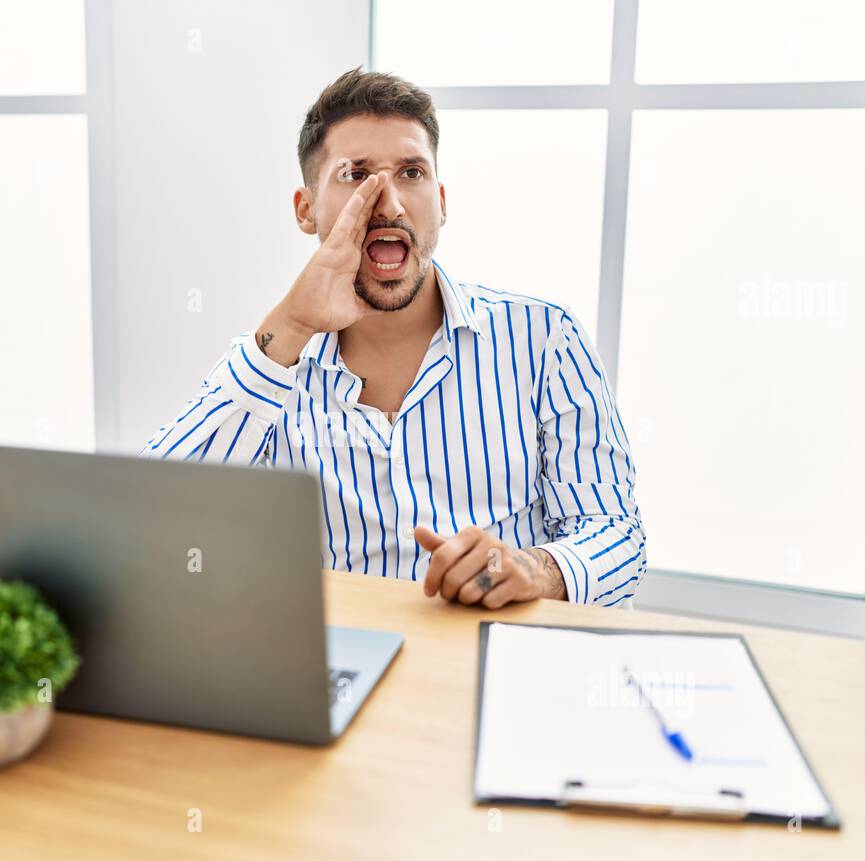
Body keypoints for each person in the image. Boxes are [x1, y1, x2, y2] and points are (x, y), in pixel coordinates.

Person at [143, 68, 645, 609]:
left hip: (497, 658)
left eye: (410, 172)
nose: (389, 205)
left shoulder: (543, 338)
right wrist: (291, 324)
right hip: (339, 671)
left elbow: (618, 535)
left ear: (442, 200)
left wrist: (537, 569)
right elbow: (152, 521)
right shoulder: (272, 362)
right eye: (356, 175)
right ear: (306, 209)